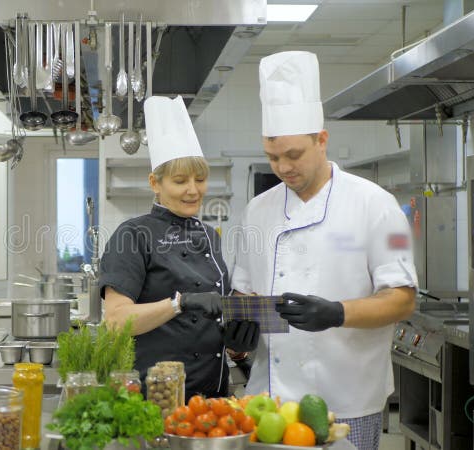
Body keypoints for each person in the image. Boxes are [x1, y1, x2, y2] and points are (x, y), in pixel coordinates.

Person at [230, 51, 417, 449]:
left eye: (294, 155)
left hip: (345, 398)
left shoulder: (376, 205)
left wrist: (337, 312)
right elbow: (244, 291)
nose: (283, 167)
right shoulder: (257, 210)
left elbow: (402, 299)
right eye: (273, 157)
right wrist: (238, 329)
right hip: (269, 400)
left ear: (322, 139)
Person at [99, 96, 260, 398]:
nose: (193, 189)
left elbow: (210, 318)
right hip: (156, 396)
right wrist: (179, 303)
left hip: (212, 396)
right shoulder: (133, 235)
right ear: (155, 183)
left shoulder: (210, 236)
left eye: (200, 179)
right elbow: (115, 321)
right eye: (180, 180)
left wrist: (237, 344)